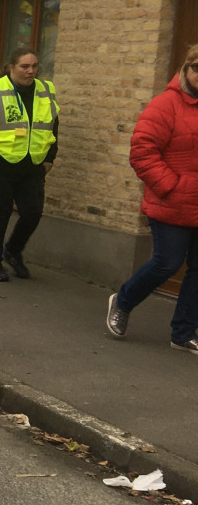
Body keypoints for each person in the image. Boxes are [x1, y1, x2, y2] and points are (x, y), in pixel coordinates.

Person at [106, 46, 198, 351]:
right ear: (186, 69)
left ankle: (183, 333)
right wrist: (172, 186)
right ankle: (123, 301)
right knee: (167, 263)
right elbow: (142, 152)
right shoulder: (165, 105)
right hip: (170, 201)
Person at [0, 46, 57, 281]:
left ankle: (12, 252)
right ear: (11, 67)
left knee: (33, 212)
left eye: (34, 66)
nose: (31, 71)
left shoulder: (46, 90)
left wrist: (49, 157)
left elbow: (53, 125)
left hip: (32, 165)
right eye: (25, 66)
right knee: (0, 214)